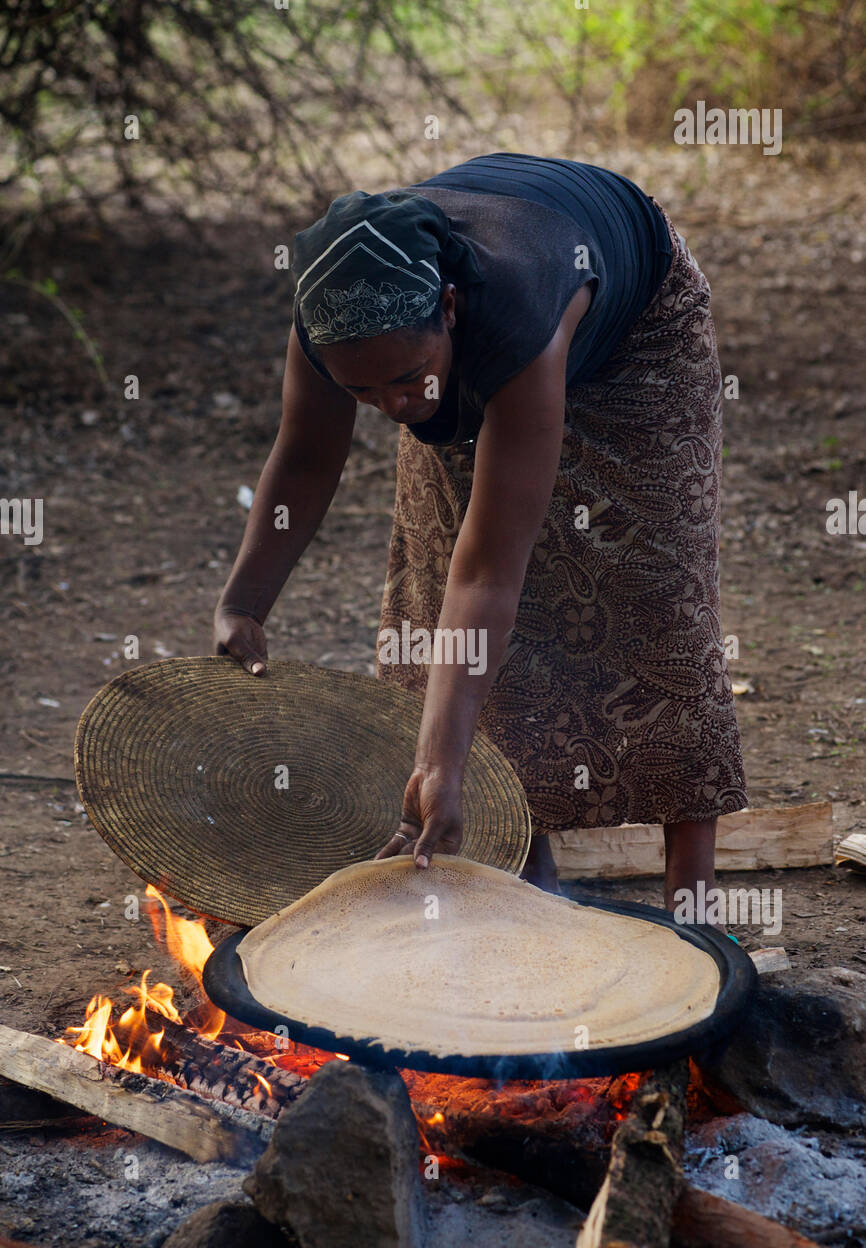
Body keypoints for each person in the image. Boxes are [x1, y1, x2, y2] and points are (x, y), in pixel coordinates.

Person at [214, 152, 748, 903]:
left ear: (452, 310)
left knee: (652, 586)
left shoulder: (520, 310)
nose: (395, 408)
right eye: (361, 390)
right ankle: (524, 865)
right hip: (492, 326)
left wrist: (437, 764)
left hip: (637, 336)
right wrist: (244, 602)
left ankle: (693, 900)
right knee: (443, 567)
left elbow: (490, 570)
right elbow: (304, 458)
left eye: (408, 379)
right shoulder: (335, 317)